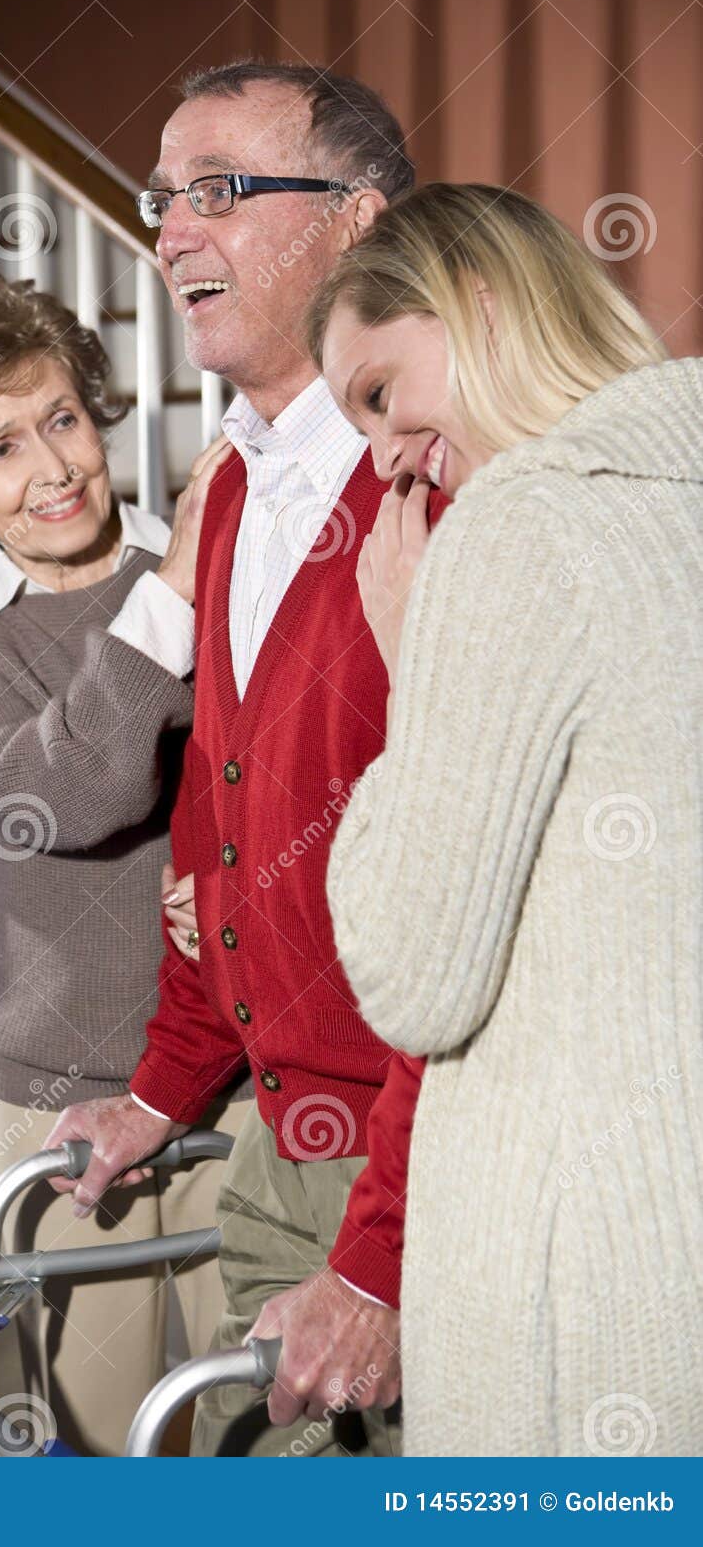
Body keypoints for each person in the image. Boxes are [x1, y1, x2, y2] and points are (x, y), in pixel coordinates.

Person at [46, 60, 437, 1455]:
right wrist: (163, 1082)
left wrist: (383, 1255)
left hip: (416, 1177)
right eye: (162, 199)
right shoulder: (231, 480)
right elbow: (226, 837)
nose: (169, 232)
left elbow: (472, 920)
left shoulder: (428, 483)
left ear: (354, 219)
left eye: (219, 190)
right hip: (280, 1146)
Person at [317, 181, 702, 1456]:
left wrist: (410, 657)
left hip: (570, 1287)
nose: (379, 452)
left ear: (478, 304)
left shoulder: (517, 530)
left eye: (378, 391)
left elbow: (413, 978)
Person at [0, 265, 252, 1456]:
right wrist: (175, 592)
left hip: (237, 1075)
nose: (53, 469)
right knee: (88, 1430)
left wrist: (183, 580)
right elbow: (51, 795)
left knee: (237, 1422)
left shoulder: (209, 573)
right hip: (55, 1089)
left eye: (61, 420)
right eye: (0, 450)